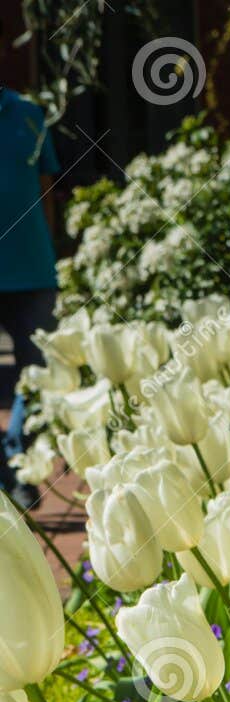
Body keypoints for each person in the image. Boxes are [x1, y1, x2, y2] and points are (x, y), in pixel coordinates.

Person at [0, 71, 60, 510]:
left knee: (36, 377)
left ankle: (18, 463)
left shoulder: (30, 115)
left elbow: (47, 191)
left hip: (32, 269)